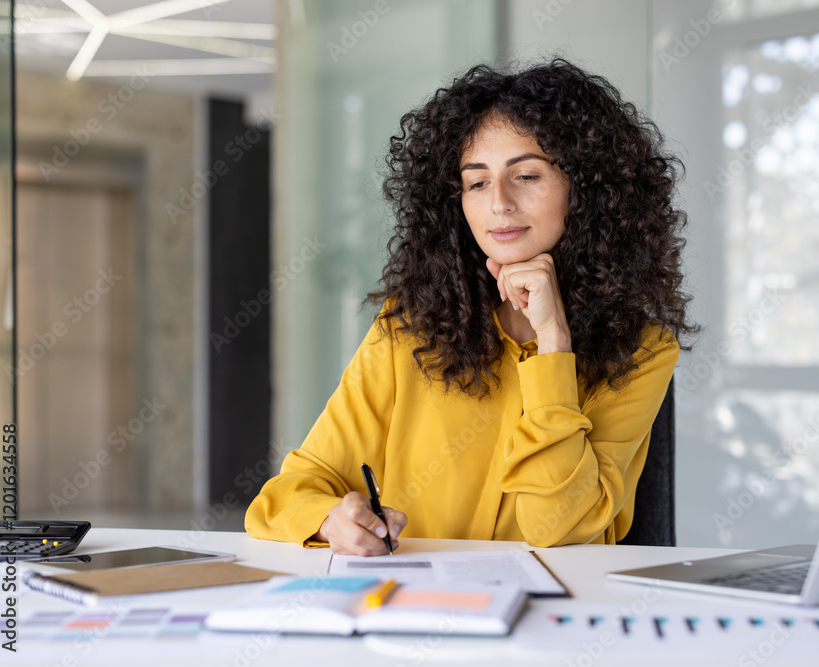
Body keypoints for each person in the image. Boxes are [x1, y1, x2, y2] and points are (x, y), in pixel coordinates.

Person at [245, 57, 695, 556]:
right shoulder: (408, 327)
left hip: (554, 617)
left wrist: (553, 344)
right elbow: (284, 496)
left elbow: (555, 527)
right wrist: (332, 520)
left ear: (586, 191)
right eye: (476, 182)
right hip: (412, 607)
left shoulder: (643, 348)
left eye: (525, 175)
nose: (498, 202)